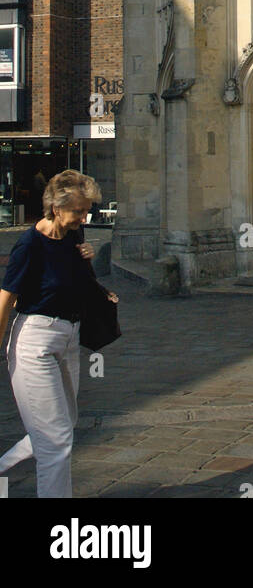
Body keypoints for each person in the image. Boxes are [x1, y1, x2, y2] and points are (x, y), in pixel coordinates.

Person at [0, 170, 118, 497]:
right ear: (55, 208)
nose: (85, 216)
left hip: (68, 337)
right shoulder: (29, 244)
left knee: (63, 424)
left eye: (86, 210)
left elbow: (76, 286)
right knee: (56, 441)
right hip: (34, 341)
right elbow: (5, 299)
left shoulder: (73, 237)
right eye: (78, 211)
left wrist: (87, 260)